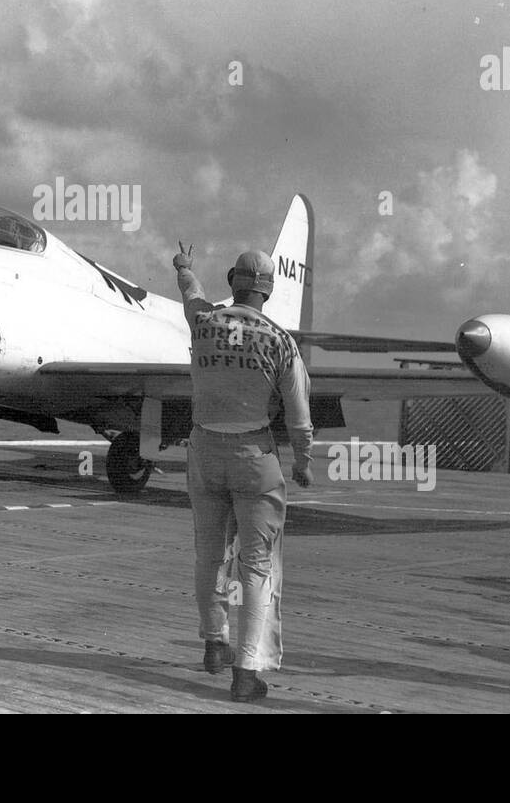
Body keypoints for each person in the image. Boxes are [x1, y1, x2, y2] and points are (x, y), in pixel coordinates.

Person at [173, 243, 313, 702]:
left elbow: (190, 295)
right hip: (255, 457)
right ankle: (246, 672)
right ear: (269, 293)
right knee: (254, 566)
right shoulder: (281, 342)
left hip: (203, 450)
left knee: (207, 553)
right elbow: (299, 419)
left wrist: (185, 267)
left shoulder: (203, 321)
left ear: (232, 280)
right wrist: (303, 463)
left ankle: (215, 643)